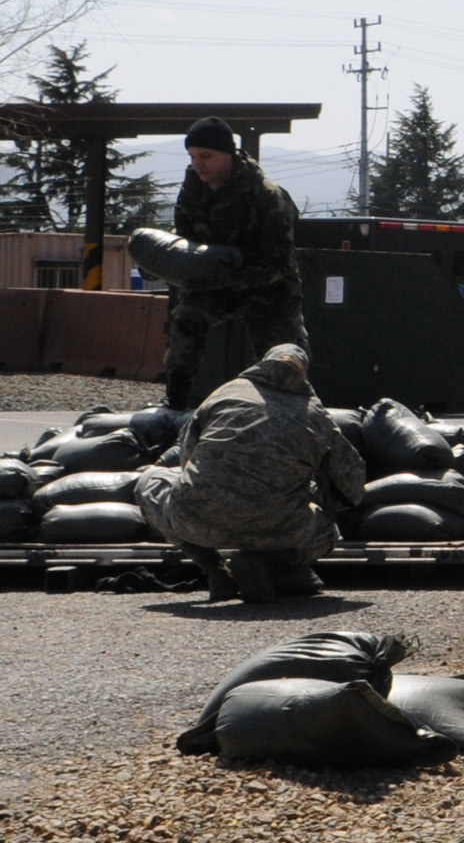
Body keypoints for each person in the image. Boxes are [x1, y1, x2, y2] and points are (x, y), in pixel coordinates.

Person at [136, 343, 363, 603]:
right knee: (327, 530)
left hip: (198, 522)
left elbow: (188, 457)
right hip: (278, 530)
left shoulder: (224, 393)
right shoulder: (316, 414)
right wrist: (319, 494)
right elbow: (351, 484)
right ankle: (265, 561)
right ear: (304, 373)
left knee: (148, 482)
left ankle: (215, 571)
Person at [162, 117, 306, 410]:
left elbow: (280, 262)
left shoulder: (267, 197)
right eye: (192, 157)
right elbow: (186, 243)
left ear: (228, 154)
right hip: (215, 284)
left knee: (285, 355)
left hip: (269, 287)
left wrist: (232, 276)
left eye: (206, 156)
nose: (198, 164)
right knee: (186, 317)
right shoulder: (192, 193)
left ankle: (294, 413)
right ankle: (174, 402)